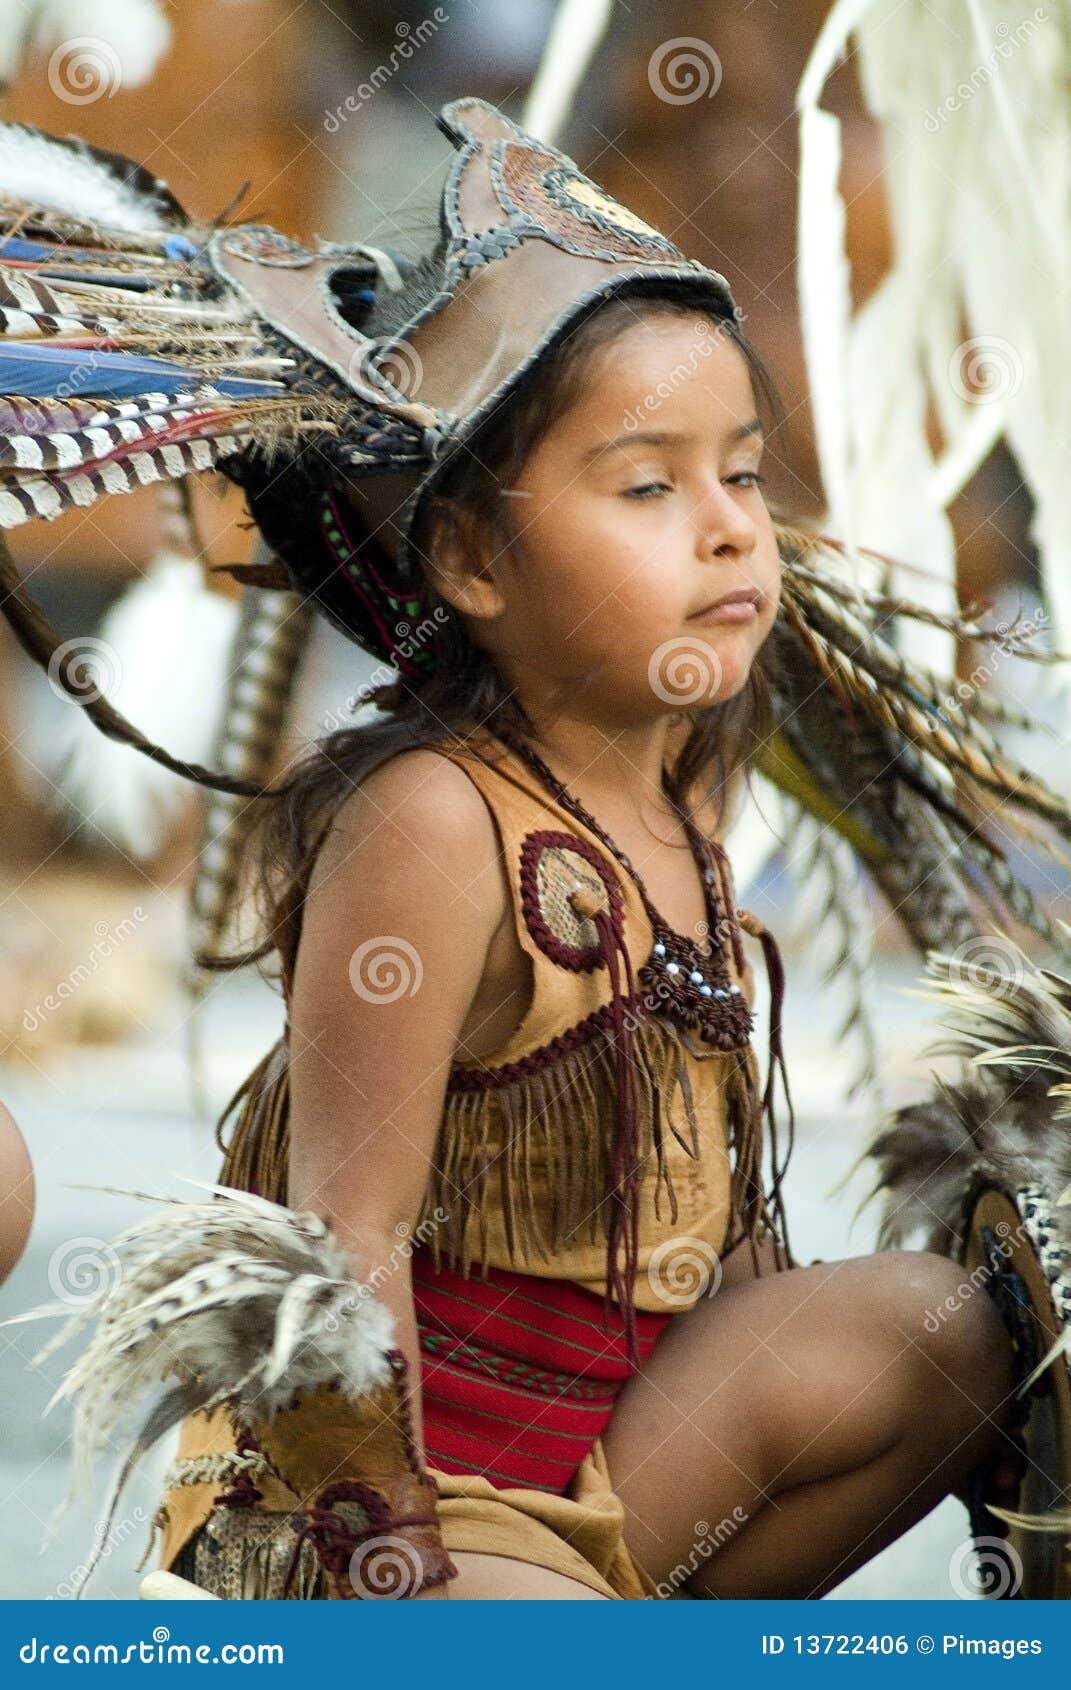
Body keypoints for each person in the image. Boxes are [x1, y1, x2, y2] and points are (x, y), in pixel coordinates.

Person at [0, 97, 1055, 1602]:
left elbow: (726, 1232)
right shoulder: (434, 817)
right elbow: (336, 1234)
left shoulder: (679, 799)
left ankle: (610, 1622)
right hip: (404, 1496)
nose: (729, 530)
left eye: (743, 475)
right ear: (473, 557)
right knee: (497, 1603)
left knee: (947, 1331)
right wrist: (394, 1558)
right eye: (648, 486)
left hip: (612, 1468)